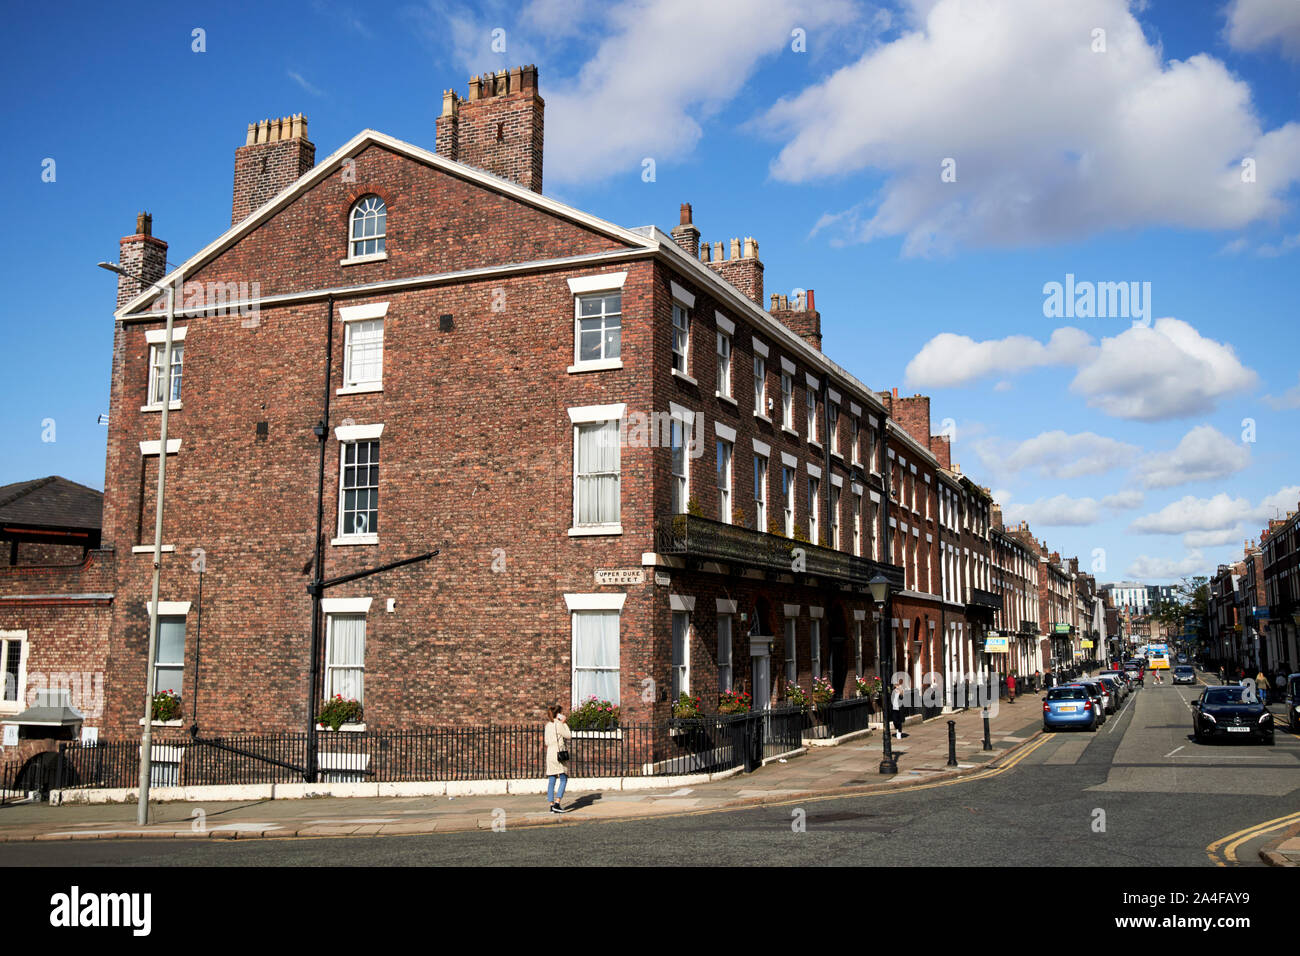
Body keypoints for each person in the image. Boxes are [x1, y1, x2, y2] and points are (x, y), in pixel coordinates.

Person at [543, 704, 572, 814]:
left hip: (550, 753)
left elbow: (546, 742)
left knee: (551, 779)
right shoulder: (559, 724)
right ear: (558, 714)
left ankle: (551, 806)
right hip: (558, 753)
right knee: (564, 778)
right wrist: (565, 723)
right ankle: (557, 803)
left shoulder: (547, 725)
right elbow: (568, 735)